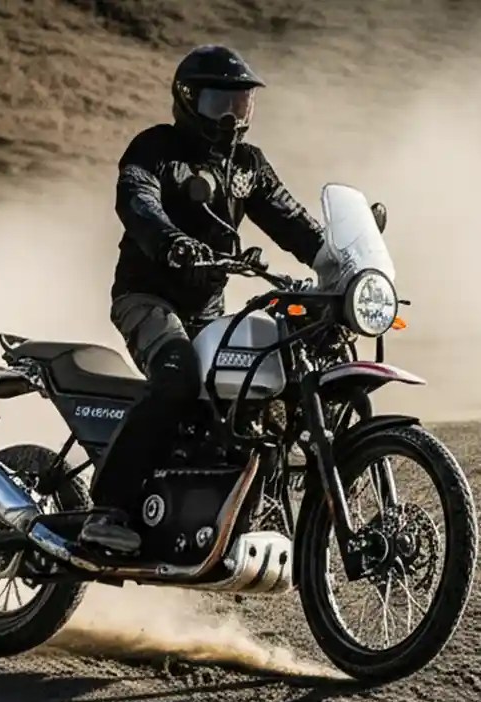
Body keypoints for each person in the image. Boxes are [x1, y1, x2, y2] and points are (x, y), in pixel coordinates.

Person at [80, 45, 326, 553]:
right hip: (145, 297)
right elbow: (137, 198)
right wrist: (170, 242)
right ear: (188, 100)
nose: (233, 117)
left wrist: (337, 259)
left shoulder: (248, 167)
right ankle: (108, 508)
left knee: (270, 378)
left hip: (207, 313)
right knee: (178, 374)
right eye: (220, 103)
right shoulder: (155, 149)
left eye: (242, 105)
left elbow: (290, 219)